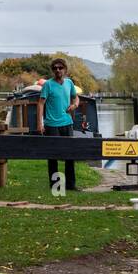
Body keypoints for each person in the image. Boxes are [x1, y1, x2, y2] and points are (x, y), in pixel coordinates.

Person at [36, 57, 79, 191]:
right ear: (52, 70)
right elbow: (41, 103)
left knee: (70, 155)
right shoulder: (48, 84)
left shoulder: (69, 83)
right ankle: (56, 185)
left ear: (65, 69)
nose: (58, 70)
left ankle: (71, 185)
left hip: (67, 123)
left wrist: (75, 105)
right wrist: (39, 123)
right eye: (55, 68)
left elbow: (75, 97)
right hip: (52, 124)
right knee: (53, 156)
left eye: (60, 68)